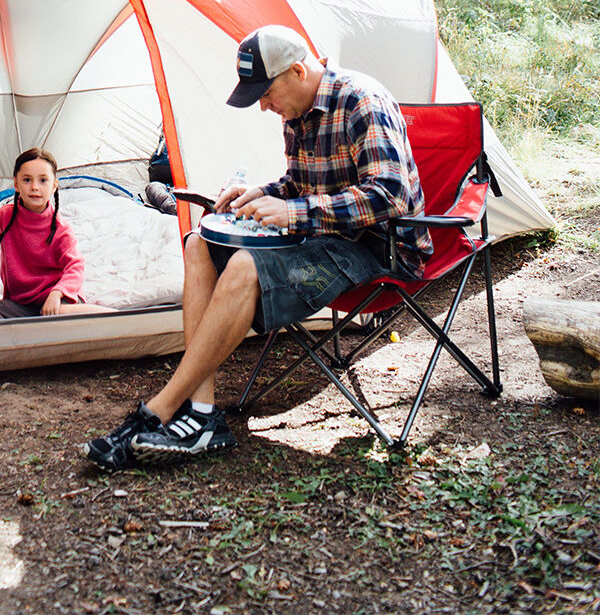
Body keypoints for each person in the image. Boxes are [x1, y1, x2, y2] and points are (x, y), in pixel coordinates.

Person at [84, 24, 433, 471]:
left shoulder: (361, 101)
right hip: (324, 238)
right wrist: (260, 193)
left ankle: (160, 408)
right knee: (199, 246)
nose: (265, 106)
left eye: (266, 93)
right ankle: (203, 414)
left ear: (297, 71)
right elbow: (299, 185)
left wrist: (294, 213)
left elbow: (390, 196)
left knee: (246, 266)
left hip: (378, 248)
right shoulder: (296, 115)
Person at [0, 147, 112, 320]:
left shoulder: (60, 229)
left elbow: (75, 267)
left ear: (55, 185)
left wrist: (57, 293)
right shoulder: (6, 215)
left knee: (57, 314)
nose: (34, 187)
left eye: (43, 180)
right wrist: (8, 303)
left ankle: (111, 317)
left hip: (57, 299)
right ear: (16, 184)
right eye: (27, 180)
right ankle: (29, 326)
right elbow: (10, 264)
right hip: (24, 304)